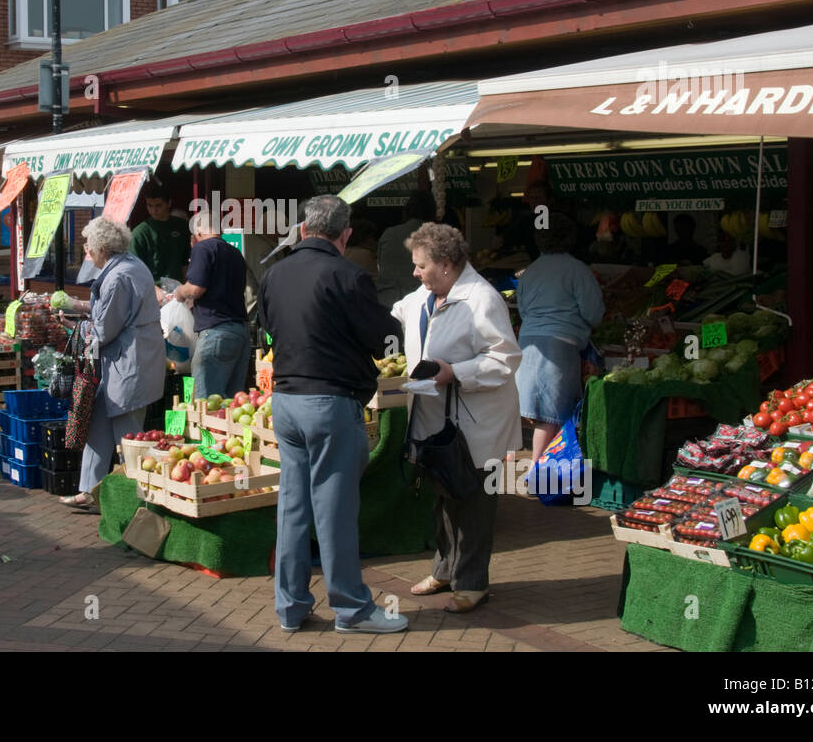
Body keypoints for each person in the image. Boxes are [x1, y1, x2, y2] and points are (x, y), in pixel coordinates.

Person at [259, 195, 407, 635]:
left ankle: (290, 607)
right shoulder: (348, 275)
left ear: (303, 229)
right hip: (330, 403)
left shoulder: (274, 274)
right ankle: (352, 609)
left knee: (293, 507)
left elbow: (268, 328)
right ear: (344, 235)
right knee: (336, 510)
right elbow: (387, 343)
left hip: (285, 401)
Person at [392, 222, 521, 613]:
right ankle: (445, 569)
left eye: (420, 266)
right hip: (437, 420)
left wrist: (456, 372)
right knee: (443, 496)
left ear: (446, 264)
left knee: (474, 500)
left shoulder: (482, 299)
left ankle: (472, 583)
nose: (415, 273)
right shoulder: (425, 295)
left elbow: (504, 358)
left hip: (477, 421)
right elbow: (395, 317)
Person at [59, 218, 164, 508]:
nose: (85, 251)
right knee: (98, 426)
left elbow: (104, 330)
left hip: (128, 368)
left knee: (128, 440)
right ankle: (89, 492)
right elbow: (109, 312)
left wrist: (73, 327)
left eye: (88, 247)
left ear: (102, 248)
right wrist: (80, 307)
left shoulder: (118, 277)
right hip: (122, 366)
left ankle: (138, 503)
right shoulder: (129, 265)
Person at [514, 213, 605, 462]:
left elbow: (522, 309)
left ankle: (537, 469)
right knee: (551, 416)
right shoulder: (577, 269)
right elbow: (593, 312)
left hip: (528, 342)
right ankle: (538, 474)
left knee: (538, 413)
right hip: (559, 345)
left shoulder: (529, 271)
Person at [173, 212, 249, 400]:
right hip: (240, 332)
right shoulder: (235, 253)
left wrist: (179, 292)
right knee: (231, 405)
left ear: (197, 231)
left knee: (206, 404)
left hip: (215, 332)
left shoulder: (203, 249)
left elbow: (196, 289)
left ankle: (208, 432)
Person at [377, 190, 433, 306]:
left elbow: (379, 264)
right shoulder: (434, 236)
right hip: (419, 299)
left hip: (388, 298)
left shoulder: (389, 233)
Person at [129, 183, 191, 283]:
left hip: (179, 288)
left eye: (158, 205)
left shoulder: (181, 225)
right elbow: (134, 268)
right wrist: (154, 289)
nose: (154, 210)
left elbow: (185, 261)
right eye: (150, 206)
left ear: (169, 203)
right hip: (152, 290)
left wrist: (186, 286)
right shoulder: (140, 232)